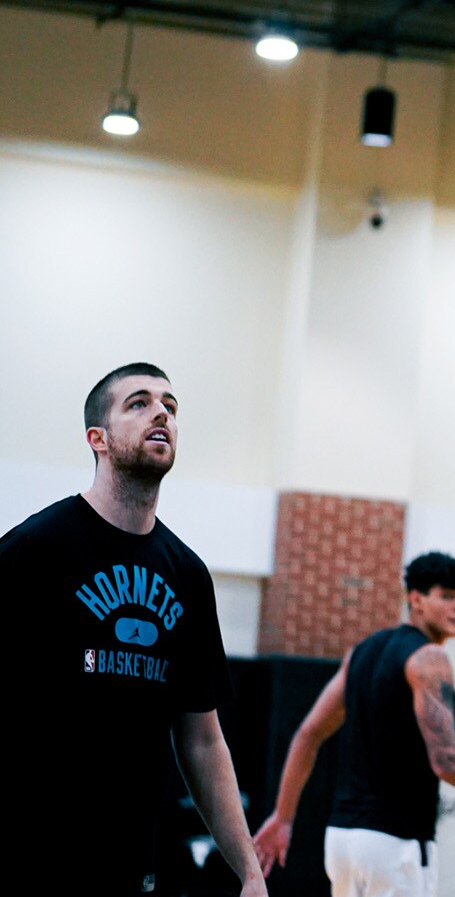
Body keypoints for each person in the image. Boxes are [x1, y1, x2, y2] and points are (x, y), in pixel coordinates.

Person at [0, 363, 266, 896]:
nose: (161, 412)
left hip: (130, 861)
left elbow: (203, 740)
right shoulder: (34, 552)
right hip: (26, 857)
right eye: (139, 403)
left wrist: (250, 871)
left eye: (169, 405)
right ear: (96, 438)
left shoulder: (187, 576)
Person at [253, 551, 455, 896]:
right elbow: (448, 761)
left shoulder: (361, 653)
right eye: (447, 597)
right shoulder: (430, 658)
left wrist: (283, 816)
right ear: (416, 599)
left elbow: (308, 734)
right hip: (394, 843)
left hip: (342, 841)